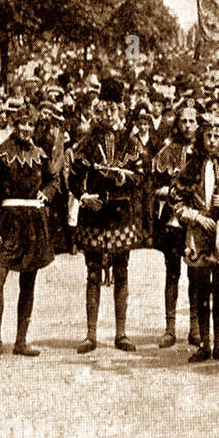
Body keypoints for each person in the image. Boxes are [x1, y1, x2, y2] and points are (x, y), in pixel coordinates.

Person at [70, 77, 147, 354]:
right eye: (103, 109)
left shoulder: (132, 141)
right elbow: (74, 177)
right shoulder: (87, 142)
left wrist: (124, 177)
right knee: (92, 274)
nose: (107, 114)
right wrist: (83, 197)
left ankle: (121, 333)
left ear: (120, 110)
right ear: (98, 110)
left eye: (113, 109)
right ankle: (90, 335)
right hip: (94, 215)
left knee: (122, 273)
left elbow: (142, 176)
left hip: (121, 215)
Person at [0, 104, 58, 364]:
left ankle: (21, 340)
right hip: (8, 224)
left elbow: (54, 180)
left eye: (30, 124)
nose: (26, 128)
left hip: (34, 225)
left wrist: (46, 194)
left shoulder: (40, 154)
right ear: (14, 125)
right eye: (22, 124)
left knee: (29, 283)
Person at [171, 110, 219, 363]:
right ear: (201, 138)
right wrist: (197, 217)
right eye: (208, 136)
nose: (212, 141)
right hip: (198, 233)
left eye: (216, 136)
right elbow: (176, 202)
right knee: (201, 288)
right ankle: (204, 343)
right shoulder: (191, 168)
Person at [152, 100, 200, 347]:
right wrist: (171, 193)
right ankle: (170, 328)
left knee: (195, 272)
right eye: (184, 120)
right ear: (177, 123)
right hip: (173, 220)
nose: (188, 125)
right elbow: (155, 186)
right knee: (172, 274)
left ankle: (195, 327)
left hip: (195, 221)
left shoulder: (203, 152)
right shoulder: (167, 151)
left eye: (192, 121)